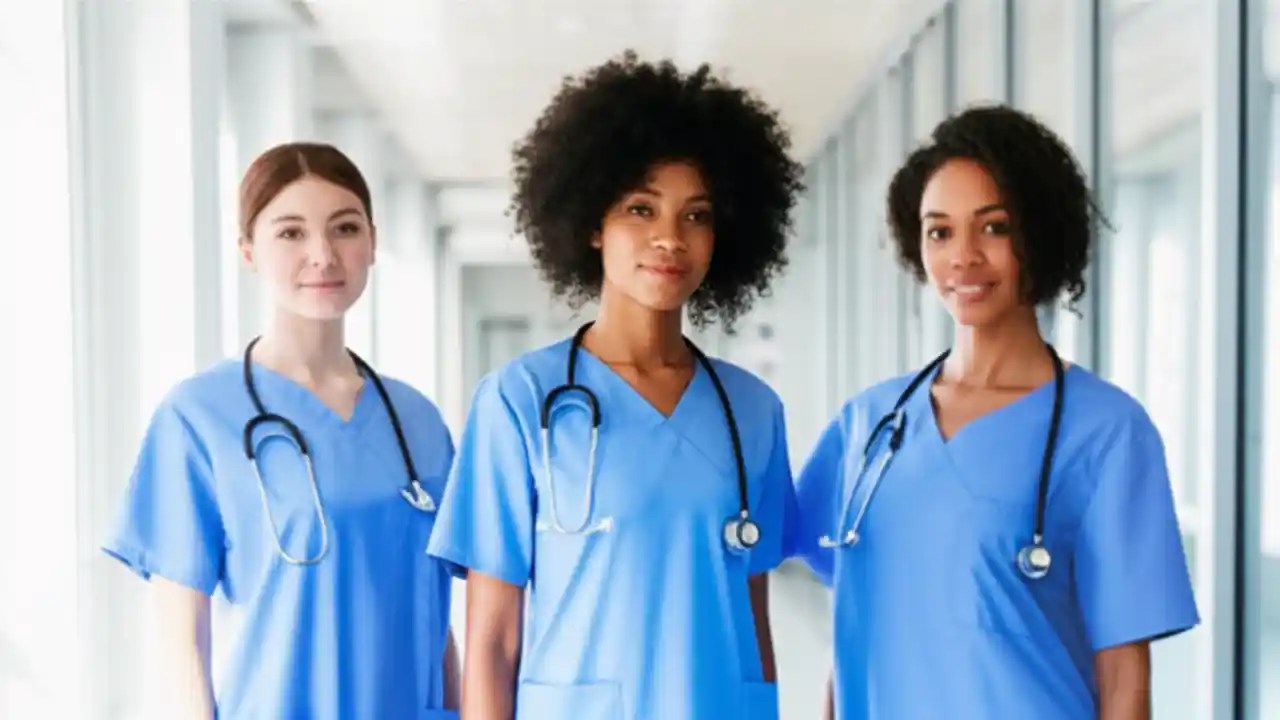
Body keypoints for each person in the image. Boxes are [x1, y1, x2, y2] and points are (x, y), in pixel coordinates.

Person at [426, 52, 805, 720]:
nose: (669, 238)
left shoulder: (751, 411)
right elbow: (492, 640)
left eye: (696, 215)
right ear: (592, 224)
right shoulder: (519, 402)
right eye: (641, 208)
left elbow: (753, 624)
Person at [791, 105, 1200, 719]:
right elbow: (854, 629)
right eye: (939, 231)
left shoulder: (1107, 433)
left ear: (1039, 233)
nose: (963, 257)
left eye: (994, 227)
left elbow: (1124, 679)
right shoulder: (868, 423)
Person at [103, 142, 460, 719]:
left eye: (344, 228)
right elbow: (180, 639)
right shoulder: (199, 417)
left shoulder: (416, 420)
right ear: (248, 251)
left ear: (372, 241)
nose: (322, 254)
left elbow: (436, 620)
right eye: (290, 233)